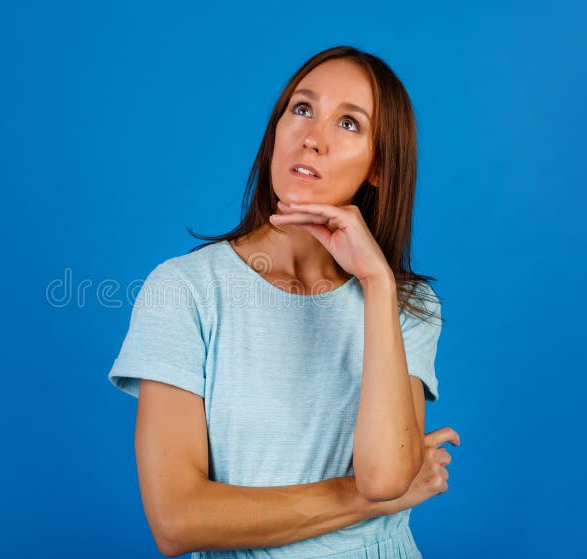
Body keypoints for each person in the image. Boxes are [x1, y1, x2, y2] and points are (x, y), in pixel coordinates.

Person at [108, 45, 461, 559]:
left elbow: (385, 475)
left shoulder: (407, 302)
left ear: (379, 168)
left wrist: (377, 283)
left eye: (348, 124)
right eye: (302, 109)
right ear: (276, 131)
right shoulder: (184, 289)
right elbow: (177, 520)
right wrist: (362, 500)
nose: (313, 138)